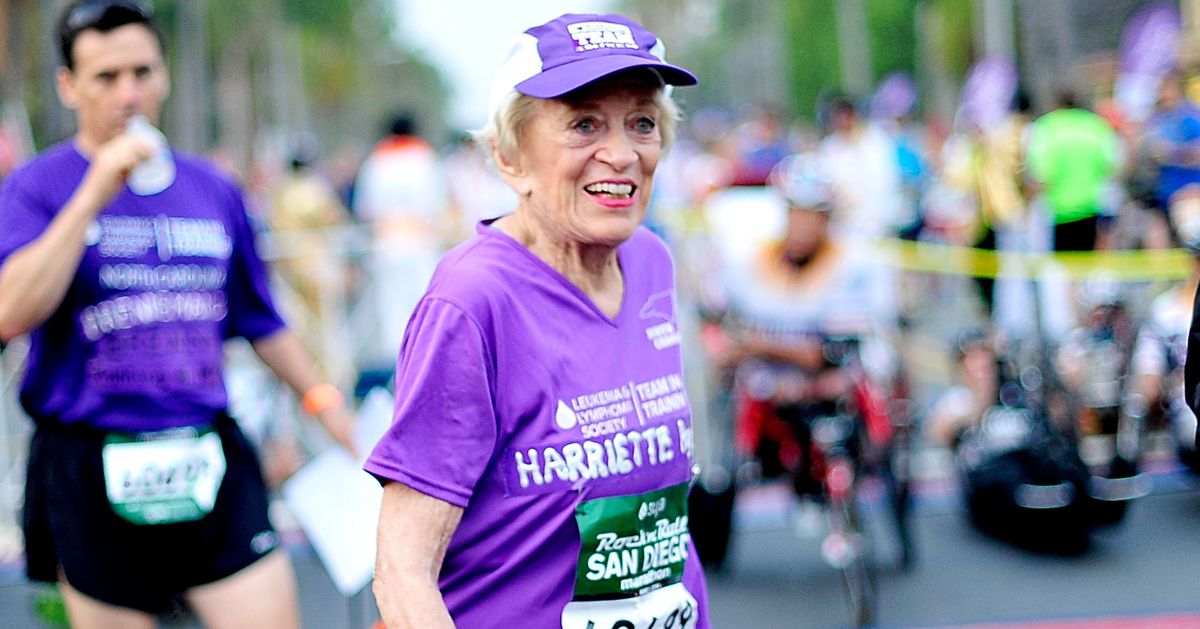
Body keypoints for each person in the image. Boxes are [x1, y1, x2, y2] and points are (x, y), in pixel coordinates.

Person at [0, 2, 355, 626]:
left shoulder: (212, 189)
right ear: (69, 86)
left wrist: (331, 410)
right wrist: (93, 194)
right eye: (107, 78)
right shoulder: (38, 187)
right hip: (90, 461)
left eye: (143, 72)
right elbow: (10, 311)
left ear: (163, 75)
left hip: (205, 448)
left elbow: (261, 320)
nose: (129, 93)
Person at [365, 13, 708, 628]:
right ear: (509, 158)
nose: (622, 154)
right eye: (583, 124)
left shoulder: (652, 261)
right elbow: (401, 570)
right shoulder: (473, 301)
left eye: (643, 123)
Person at [352, 111, 448, 371]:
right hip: (420, 243)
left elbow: (365, 208)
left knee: (392, 313)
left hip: (387, 244)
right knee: (424, 304)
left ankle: (401, 370)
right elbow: (437, 204)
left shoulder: (376, 162)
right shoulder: (425, 159)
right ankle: (427, 365)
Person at [1026, 90, 1120, 252]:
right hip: (1092, 206)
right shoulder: (1095, 125)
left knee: (1062, 268)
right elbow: (1111, 167)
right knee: (1087, 265)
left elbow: (1040, 175)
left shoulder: (1046, 126)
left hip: (1058, 210)